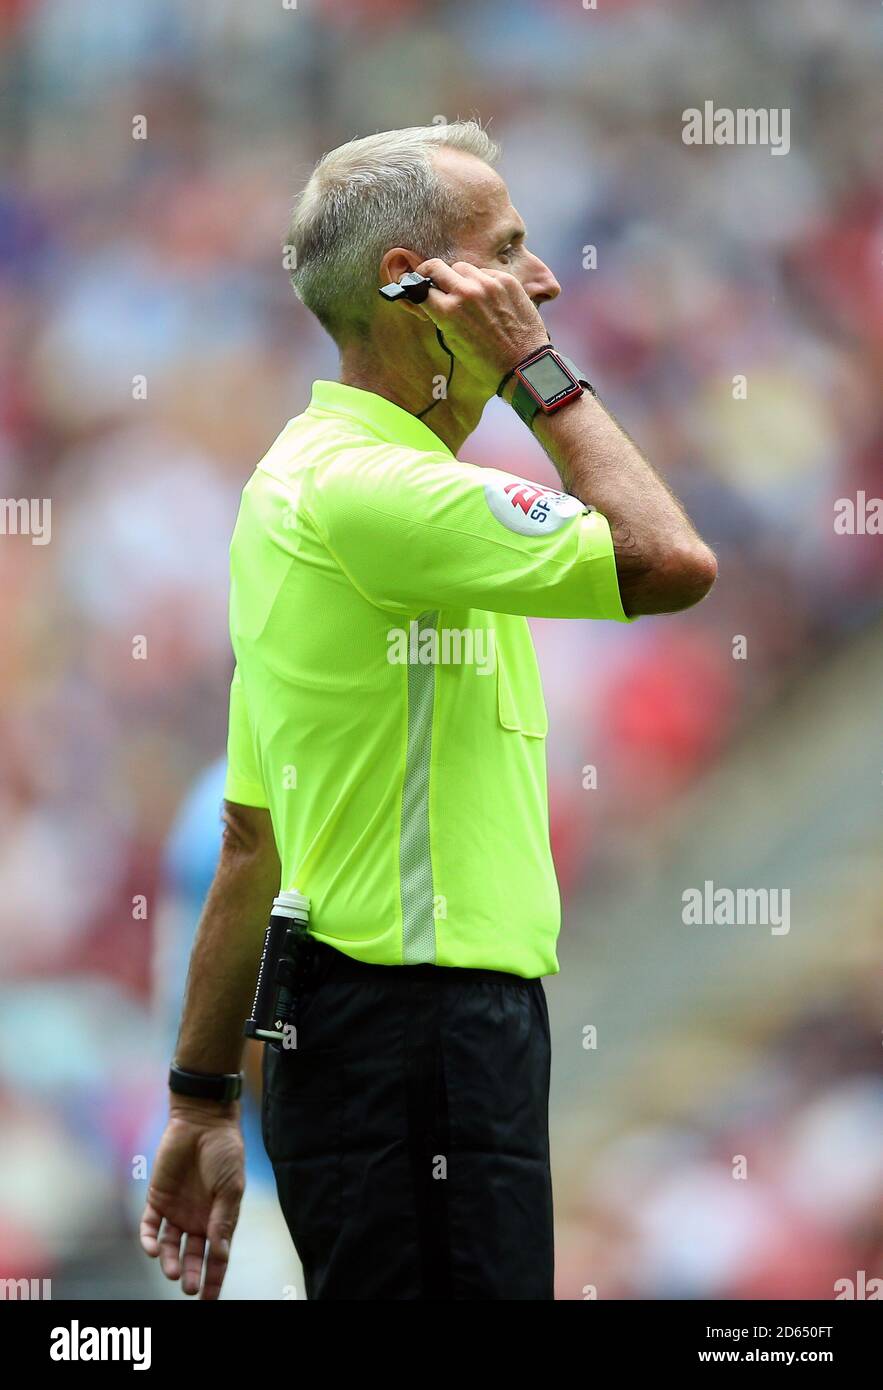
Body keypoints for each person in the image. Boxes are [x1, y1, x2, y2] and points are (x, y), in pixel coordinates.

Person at [140, 121, 716, 1301]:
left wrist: (200, 1099)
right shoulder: (376, 492)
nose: (540, 281)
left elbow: (258, 839)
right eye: (508, 251)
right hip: (419, 1039)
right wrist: (537, 370)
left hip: (388, 1044)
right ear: (420, 284)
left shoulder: (308, 482)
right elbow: (668, 559)